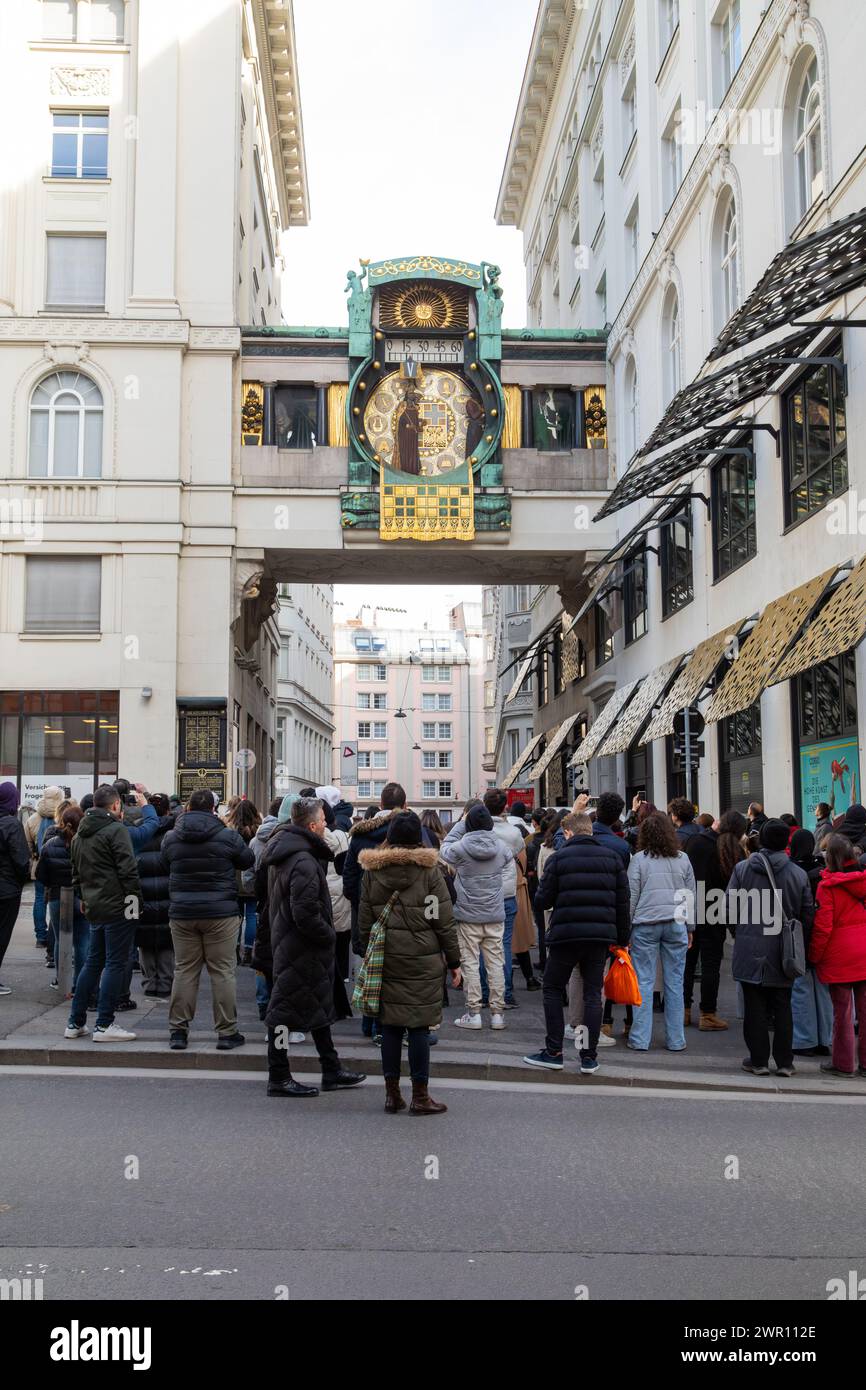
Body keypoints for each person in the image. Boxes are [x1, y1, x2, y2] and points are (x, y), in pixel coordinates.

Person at [262, 797, 365, 1098]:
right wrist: (328, 936)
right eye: (322, 820)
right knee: (281, 1014)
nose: (326, 825)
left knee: (319, 1008)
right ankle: (278, 1074)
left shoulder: (289, 851)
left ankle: (331, 1069)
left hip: (291, 942)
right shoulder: (304, 860)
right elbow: (305, 912)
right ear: (311, 825)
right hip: (300, 947)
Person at [359, 811, 461, 1114]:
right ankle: (420, 1095)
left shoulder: (372, 870)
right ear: (419, 837)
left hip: (386, 956)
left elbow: (364, 919)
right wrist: (454, 960)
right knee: (418, 1027)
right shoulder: (430, 872)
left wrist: (366, 951)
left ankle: (392, 1094)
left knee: (389, 1026)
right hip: (423, 958)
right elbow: (443, 921)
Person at [524, 811, 629, 1074]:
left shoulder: (558, 859)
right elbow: (622, 905)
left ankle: (554, 1051)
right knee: (593, 994)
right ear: (591, 831)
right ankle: (588, 1057)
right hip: (600, 938)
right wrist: (622, 941)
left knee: (552, 987)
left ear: (568, 833)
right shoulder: (613, 859)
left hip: (565, 935)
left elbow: (542, 901)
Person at [160, 788, 254, 1051]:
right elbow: (248, 860)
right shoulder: (227, 836)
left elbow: (164, 863)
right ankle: (226, 1032)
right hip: (220, 913)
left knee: (185, 970)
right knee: (222, 971)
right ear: (214, 809)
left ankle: (178, 1031)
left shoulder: (171, 837)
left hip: (182, 912)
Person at [342, 782, 432, 1041]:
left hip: (366, 909)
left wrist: (358, 900)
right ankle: (387, 1029)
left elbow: (350, 873)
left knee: (368, 965)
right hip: (402, 912)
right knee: (394, 970)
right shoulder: (413, 831)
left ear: (380, 805)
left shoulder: (360, 835)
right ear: (404, 805)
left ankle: (369, 1024)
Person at [726, 818, 814, 1077]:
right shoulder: (798, 874)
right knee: (782, 1004)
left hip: (748, 945)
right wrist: (800, 941)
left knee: (754, 1006)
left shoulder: (742, 869)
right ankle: (785, 1062)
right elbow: (807, 914)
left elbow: (729, 908)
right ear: (786, 841)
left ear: (761, 839)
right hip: (783, 948)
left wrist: (738, 932)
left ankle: (758, 1060)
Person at [64, 784, 144, 1042]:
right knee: (115, 963)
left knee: (93, 962)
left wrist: (85, 899)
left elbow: (76, 874)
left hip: (95, 906)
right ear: (115, 805)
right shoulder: (116, 830)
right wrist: (135, 903)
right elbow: (128, 870)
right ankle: (104, 1024)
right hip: (119, 905)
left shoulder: (79, 835)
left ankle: (75, 1022)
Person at [626, 812, 695, 1053]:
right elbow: (689, 895)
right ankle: (676, 1040)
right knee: (675, 983)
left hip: (645, 924)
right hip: (676, 923)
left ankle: (640, 1038)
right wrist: (690, 927)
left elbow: (631, 897)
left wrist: (627, 929)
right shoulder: (683, 858)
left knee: (643, 981)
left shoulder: (638, 860)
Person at [441, 802, 512, 1031]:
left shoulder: (461, 848)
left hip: (468, 914)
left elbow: (445, 848)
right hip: (494, 913)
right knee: (495, 964)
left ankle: (473, 1012)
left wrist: (462, 824)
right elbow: (509, 859)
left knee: (470, 963)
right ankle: (498, 1014)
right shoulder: (501, 848)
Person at [809, 834, 866, 1078]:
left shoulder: (827, 886)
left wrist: (814, 956)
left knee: (842, 1013)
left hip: (839, 956)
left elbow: (823, 927)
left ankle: (844, 1064)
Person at [683, 809, 730, 1031]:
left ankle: (683, 1010)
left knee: (687, 962)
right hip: (714, 909)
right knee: (711, 963)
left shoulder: (693, 842)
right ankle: (707, 1014)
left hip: (690, 906)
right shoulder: (725, 848)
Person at [478, 788, 525, 1007]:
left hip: (482, 891)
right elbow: (517, 852)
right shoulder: (514, 833)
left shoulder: (477, 831)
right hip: (505, 892)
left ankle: (485, 992)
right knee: (503, 944)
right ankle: (505, 993)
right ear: (505, 807)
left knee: (480, 943)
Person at [36, 806, 90, 994]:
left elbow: (40, 875)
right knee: (83, 942)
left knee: (61, 940)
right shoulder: (87, 844)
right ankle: (79, 983)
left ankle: (61, 980)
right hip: (83, 897)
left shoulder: (50, 845)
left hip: (58, 896)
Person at [789, 828, 833, 1057]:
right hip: (823, 937)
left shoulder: (791, 872)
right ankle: (825, 1038)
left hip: (799, 937)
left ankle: (805, 1040)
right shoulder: (823, 870)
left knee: (800, 989)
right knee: (824, 990)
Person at [134, 794, 177, 1000]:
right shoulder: (175, 832)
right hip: (169, 893)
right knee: (168, 940)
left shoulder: (137, 831)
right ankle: (166, 981)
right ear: (168, 810)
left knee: (145, 938)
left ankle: (150, 982)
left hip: (142, 893)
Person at [25, 785, 64, 956]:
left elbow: (27, 845)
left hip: (39, 865)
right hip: (60, 868)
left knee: (40, 899)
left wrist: (34, 855)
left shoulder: (33, 819)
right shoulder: (64, 815)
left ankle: (40, 938)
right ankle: (54, 935)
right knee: (59, 901)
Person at [0, 782, 31, 995]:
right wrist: (22, 881)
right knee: (2, 935)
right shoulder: (11, 824)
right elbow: (21, 861)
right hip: (6, 890)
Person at [225, 798, 262, 965]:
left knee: (236, 917)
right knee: (252, 916)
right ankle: (248, 951)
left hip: (233, 878)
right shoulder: (258, 831)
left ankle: (235, 950)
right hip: (251, 878)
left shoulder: (230, 831)